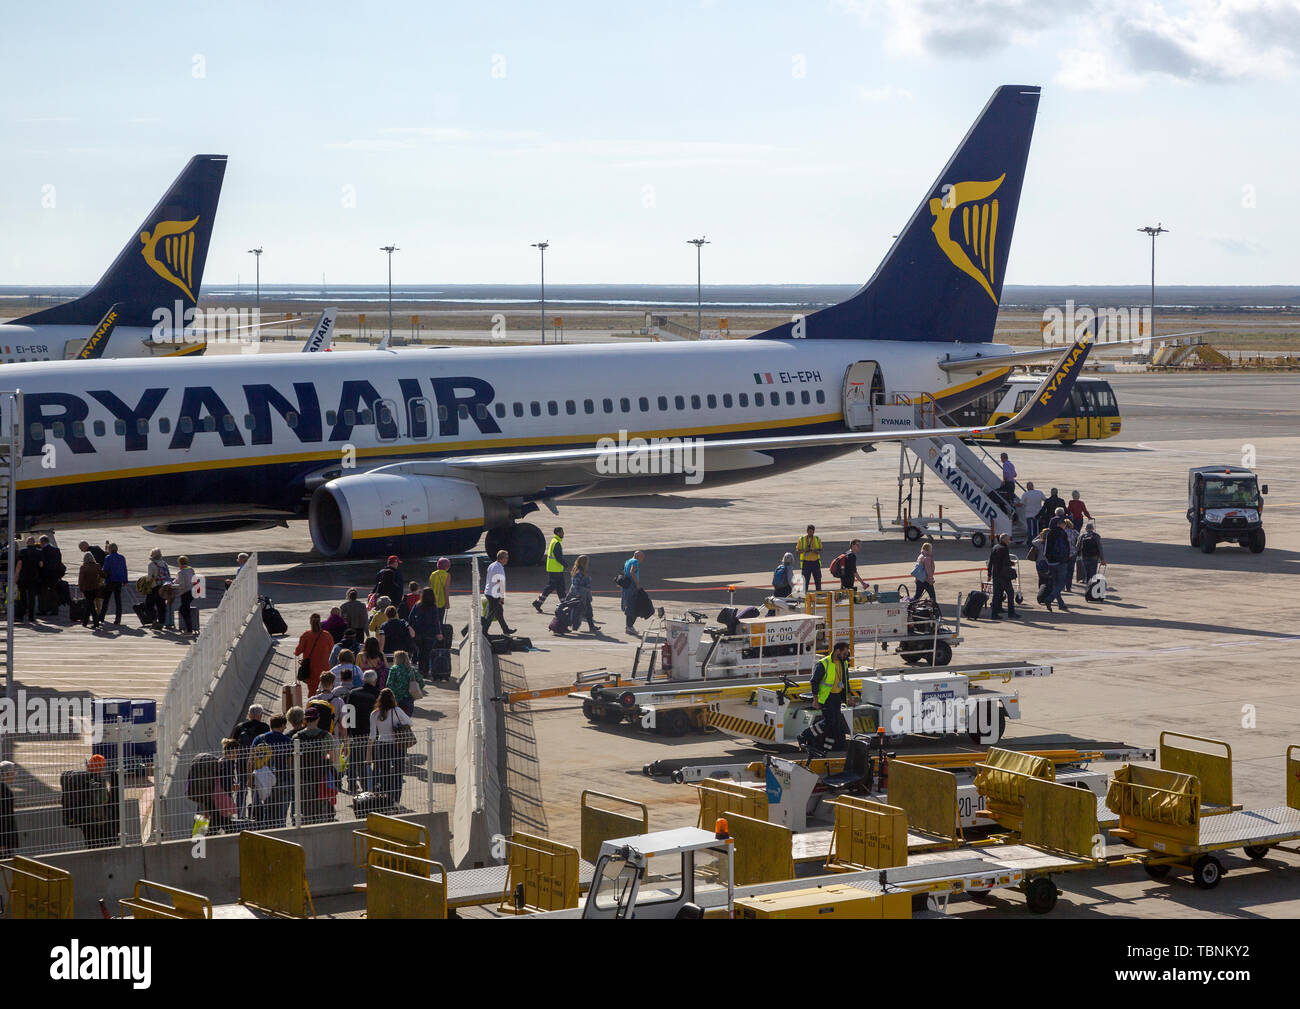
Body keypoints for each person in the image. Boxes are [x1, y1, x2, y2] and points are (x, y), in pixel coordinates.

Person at [368, 687, 413, 807]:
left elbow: (372, 735)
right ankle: (396, 800)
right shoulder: (397, 710)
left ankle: (386, 797)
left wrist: (368, 753)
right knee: (398, 773)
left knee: (384, 772)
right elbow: (410, 722)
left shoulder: (374, 714)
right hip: (398, 745)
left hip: (382, 744)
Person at [293, 706, 338, 824]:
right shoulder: (326, 736)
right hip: (321, 776)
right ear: (318, 719)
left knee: (305, 807)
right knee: (321, 805)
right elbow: (333, 758)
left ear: (305, 720)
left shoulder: (297, 737)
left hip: (303, 777)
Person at [63, 753, 119, 848]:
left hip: (83, 818)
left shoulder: (82, 778)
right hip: (98, 819)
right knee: (101, 843)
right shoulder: (99, 781)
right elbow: (102, 800)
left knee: (90, 842)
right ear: (100, 768)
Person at [250, 714, 293, 829]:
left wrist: (250, 779)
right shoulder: (287, 741)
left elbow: (251, 760)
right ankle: (280, 835)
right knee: (281, 814)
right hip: (283, 779)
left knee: (267, 811)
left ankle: (268, 834)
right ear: (283, 725)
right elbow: (290, 763)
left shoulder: (259, 739)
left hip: (265, 781)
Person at [809, 641, 852, 752]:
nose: (845, 655)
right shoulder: (824, 663)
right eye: (844, 652)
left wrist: (849, 696)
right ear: (837, 650)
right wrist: (815, 700)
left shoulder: (844, 663)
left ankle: (827, 748)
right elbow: (814, 681)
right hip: (826, 697)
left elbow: (846, 681)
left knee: (835, 724)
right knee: (830, 722)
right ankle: (805, 735)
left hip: (837, 696)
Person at [231, 704, 271, 816]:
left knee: (241, 789)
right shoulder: (264, 727)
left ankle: (240, 815)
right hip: (257, 763)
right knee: (256, 788)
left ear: (249, 714)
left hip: (242, 762)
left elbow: (233, 745)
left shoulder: (239, 727)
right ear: (260, 715)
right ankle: (256, 814)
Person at [345, 669, 381, 793]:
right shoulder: (378, 694)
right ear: (375, 681)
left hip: (355, 733)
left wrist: (348, 731)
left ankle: (352, 783)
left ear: (362, 680)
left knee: (354, 760)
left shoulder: (352, 693)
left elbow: (347, 713)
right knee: (374, 760)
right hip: (372, 733)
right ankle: (371, 786)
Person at [408, 588, 445, 682]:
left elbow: (410, 617)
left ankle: (420, 670)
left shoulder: (417, 605)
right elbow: (436, 621)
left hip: (418, 632)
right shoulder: (433, 607)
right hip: (430, 633)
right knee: (427, 652)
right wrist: (438, 632)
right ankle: (426, 671)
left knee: (420, 651)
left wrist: (412, 627)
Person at [294, 612, 335, 695]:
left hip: (311, 668)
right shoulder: (327, 635)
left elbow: (298, 651)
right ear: (320, 622)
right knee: (326, 689)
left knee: (312, 691)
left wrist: (296, 652)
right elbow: (332, 650)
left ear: (310, 622)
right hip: (325, 667)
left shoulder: (306, 635)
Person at [533, 526, 567, 611]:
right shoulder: (556, 543)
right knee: (553, 587)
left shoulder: (554, 541)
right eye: (562, 532)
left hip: (555, 569)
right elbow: (559, 558)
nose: (563, 534)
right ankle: (538, 602)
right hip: (555, 569)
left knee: (560, 587)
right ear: (558, 533)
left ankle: (564, 604)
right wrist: (567, 566)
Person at [564, 554, 599, 633]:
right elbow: (576, 584)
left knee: (588, 610)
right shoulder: (579, 571)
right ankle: (564, 625)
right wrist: (578, 594)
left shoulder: (581, 570)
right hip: (579, 594)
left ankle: (592, 626)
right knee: (572, 611)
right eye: (587, 562)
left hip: (584, 593)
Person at [483, 549, 515, 635]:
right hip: (494, 594)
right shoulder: (499, 568)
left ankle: (506, 629)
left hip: (489, 592)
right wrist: (502, 597)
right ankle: (484, 631)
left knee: (499, 612)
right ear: (502, 559)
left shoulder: (492, 565)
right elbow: (500, 582)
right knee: (491, 614)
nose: (507, 560)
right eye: (506, 558)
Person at [987, 533, 1018, 619]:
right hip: (1003, 575)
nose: (1009, 541)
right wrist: (1013, 563)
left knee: (997, 594)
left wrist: (989, 574)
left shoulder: (995, 547)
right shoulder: (1004, 548)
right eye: (1008, 539)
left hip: (995, 574)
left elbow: (990, 562)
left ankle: (994, 614)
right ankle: (1011, 613)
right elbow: (1006, 562)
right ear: (1004, 540)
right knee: (1010, 593)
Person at [97, 542, 128, 627]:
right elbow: (124, 569)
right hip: (119, 581)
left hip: (110, 580)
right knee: (118, 600)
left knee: (106, 600)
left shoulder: (108, 558)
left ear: (110, 549)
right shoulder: (122, 557)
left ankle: (101, 617)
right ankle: (118, 619)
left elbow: (105, 569)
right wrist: (125, 580)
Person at [1044, 515, 1071, 612]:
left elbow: (1046, 549)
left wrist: (1048, 559)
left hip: (1051, 562)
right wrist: (1066, 558)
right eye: (1064, 524)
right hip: (1061, 561)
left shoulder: (1049, 533)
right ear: (1060, 524)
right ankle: (1050, 598)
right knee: (1061, 583)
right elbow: (1067, 548)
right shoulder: (1062, 533)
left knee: (1055, 583)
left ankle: (1061, 604)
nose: (1065, 526)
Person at [386, 650, 424, 717]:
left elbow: (389, 684)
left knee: (396, 720)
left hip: (397, 699)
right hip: (409, 698)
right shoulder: (412, 669)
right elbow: (422, 683)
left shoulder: (394, 669)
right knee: (407, 720)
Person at [15, 535, 42, 624]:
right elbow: (41, 564)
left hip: (23, 577)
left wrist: (16, 576)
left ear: (26, 543)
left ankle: (22, 615)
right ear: (34, 543)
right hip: (33, 577)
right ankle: (31, 616)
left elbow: (19, 564)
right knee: (32, 598)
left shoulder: (22, 551)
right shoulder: (38, 552)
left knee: (22, 597)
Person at [145, 548, 172, 628]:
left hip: (154, 587)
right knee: (161, 605)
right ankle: (161, 622)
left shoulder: (152, 564)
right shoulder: (164, 564)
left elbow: (149, 578)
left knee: (149, 605)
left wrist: (146, 585)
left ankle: (154, 620)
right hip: (163, 587)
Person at [38, 534, 64, 616]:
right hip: (55, 574)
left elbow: (41, 563)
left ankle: (43, 610)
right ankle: (55, 610)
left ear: (42, 542)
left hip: (45, 574)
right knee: (54, 591)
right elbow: (59, 562)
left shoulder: (42, 551)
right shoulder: (56, 550)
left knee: (43, 593)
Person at [620, 549, 644, 636]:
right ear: (638, 556)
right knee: (633, 606)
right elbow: (632, 572)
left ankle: (629, 626)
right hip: (632, 586)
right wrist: (637, 584)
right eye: (642, 557)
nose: (642, 559)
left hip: (626, 587)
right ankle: (629, 626)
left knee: (630, 606)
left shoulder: (628, 561)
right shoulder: (635, 561)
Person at [77, 550, 102, 628]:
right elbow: (103, 574)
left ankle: (95, 622)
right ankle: (85, 622)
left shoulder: (83, 567)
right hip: (95, 588)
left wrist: (81, 588)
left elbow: (80, 580)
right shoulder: (97, 566)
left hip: (87, 589)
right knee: (89, 605)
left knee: (90, 605)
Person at [796, 525, 823, 593]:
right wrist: (805, 550)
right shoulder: (801, 539)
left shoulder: (817, 539)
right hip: (806, 563)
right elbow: (797, 551)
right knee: (805, 581)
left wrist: (814, 550)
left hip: (815, 563)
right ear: (807, 531)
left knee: (818, 580)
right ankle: (805, 595)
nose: (811, 533)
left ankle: (819, 593)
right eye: (810, 531)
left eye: (812, 532)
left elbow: (821, 551)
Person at [175, 555, 197, 634]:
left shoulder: (180, 572)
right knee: (184, 609)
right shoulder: (190, 569)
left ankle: (189, 630)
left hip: (185, 593)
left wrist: (173, 586)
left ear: (179, 563)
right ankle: (189, 628)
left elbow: (182, 585)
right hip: (192, 592)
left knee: (184, 610)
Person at [0, 761, 18, 858]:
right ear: (6, 774)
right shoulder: (5, 791)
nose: (15, 775)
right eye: (13, 773)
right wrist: (2, 843)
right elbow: (4, 818)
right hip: (5, 840)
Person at [428, 557, 451, 631]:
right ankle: (438, 637)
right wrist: (447, 602)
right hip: (441, 602)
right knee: (440, 621)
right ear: (446, 566)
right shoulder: (447, 575)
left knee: (432, 621)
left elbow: (429, 588)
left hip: (432, 601)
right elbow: (446, 590)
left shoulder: (433, 574)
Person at [913, 542, 937, 606]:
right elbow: (928, 571)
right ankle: (935, 612)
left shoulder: (920, 556)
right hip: (926, 581)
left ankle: (910, 608)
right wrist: (931, 580)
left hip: (919, 579)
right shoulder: (927, 558)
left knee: (917, 597)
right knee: (932, 597)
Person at [1063, 519, 1080, 591]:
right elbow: (1079, 541)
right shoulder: (1075, 532)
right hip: (1073, 553)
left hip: (1064, 554)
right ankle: (1068, 587)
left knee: (1063, 570)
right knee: (1070, 571)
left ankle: (1062, 586)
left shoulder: (1062, 532)